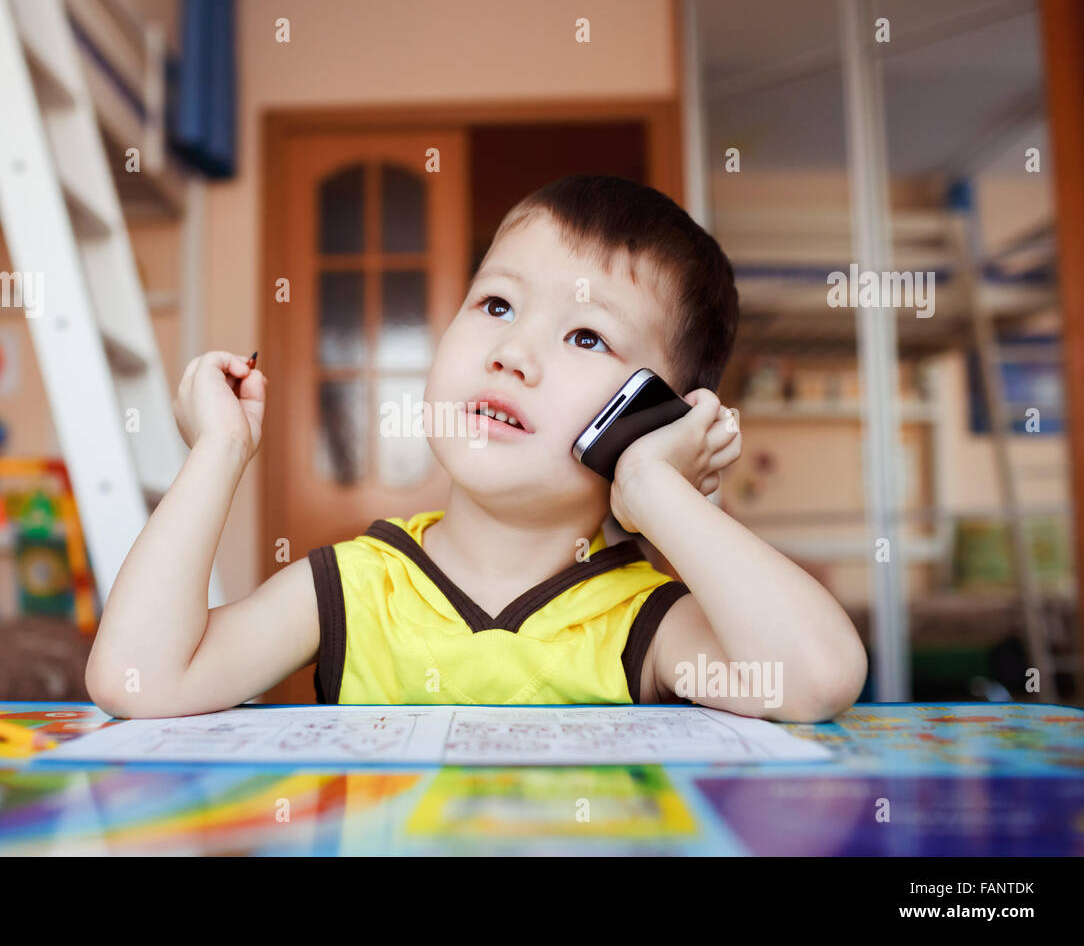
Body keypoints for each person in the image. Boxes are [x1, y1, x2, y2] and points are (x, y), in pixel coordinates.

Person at [87, 174, 866, 722]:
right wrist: (217, 450)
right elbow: (136, 681)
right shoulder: (357, 588)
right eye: (496, 303)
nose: (512, 352)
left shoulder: (643, 625)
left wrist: (655, 491)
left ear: (650, 416)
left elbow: (818, 679)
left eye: (586, 335)